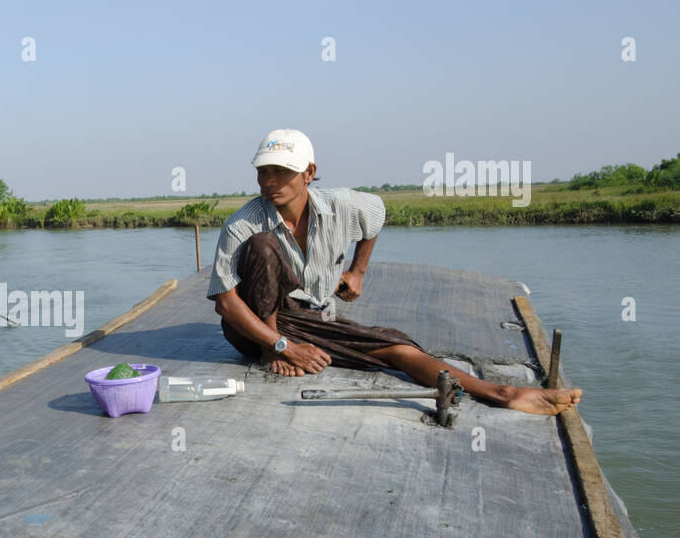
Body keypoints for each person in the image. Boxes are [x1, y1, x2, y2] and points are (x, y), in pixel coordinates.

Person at [208, 129, 583, 416]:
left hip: (307, 319)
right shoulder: (244, 223)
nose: (269, 181)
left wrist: (357, 271)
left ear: (309, 173)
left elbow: (376, 214)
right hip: (254, 326)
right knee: (262, 246)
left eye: (281, 171)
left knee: (392, 347)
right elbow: (227, 304)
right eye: (263, 171)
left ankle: (504, 394)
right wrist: (279, 346)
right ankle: (267, 349)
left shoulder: (341, 205)